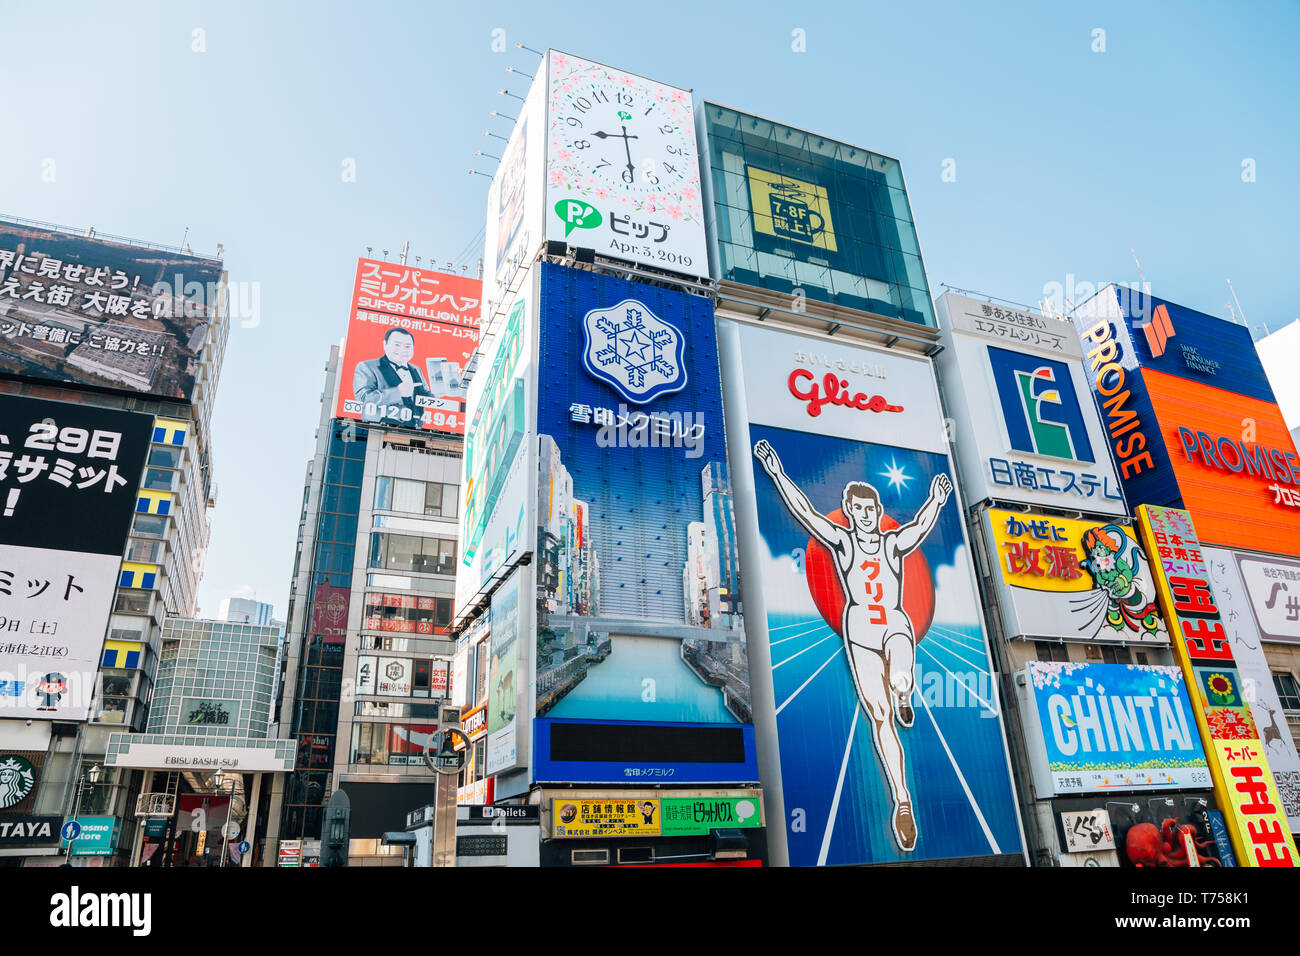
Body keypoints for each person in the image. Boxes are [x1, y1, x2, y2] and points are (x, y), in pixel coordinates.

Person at [753, 439, 952, 852]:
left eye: (870, 509)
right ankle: (902, 801)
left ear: (878, 512)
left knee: (899, 671)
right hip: (859, 628)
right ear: (850, 512)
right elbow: (805, 513)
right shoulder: (843, 543)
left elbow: (919, 526)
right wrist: (776, 473)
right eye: (857, 509)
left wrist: (935, 499)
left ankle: (903, 692)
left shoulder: (892, 544)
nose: (864, 515)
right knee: (880, 719)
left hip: (894, 622)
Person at [350, 328, 433, 427]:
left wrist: (437, 396)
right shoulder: (367, 366)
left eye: (407, 346)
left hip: (415, 429)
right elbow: (364, 398)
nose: (402, 350)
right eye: (397, 345)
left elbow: (423, 396)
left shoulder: (416, 369)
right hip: (378, 427)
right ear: (385, 344)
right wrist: (398, 392)